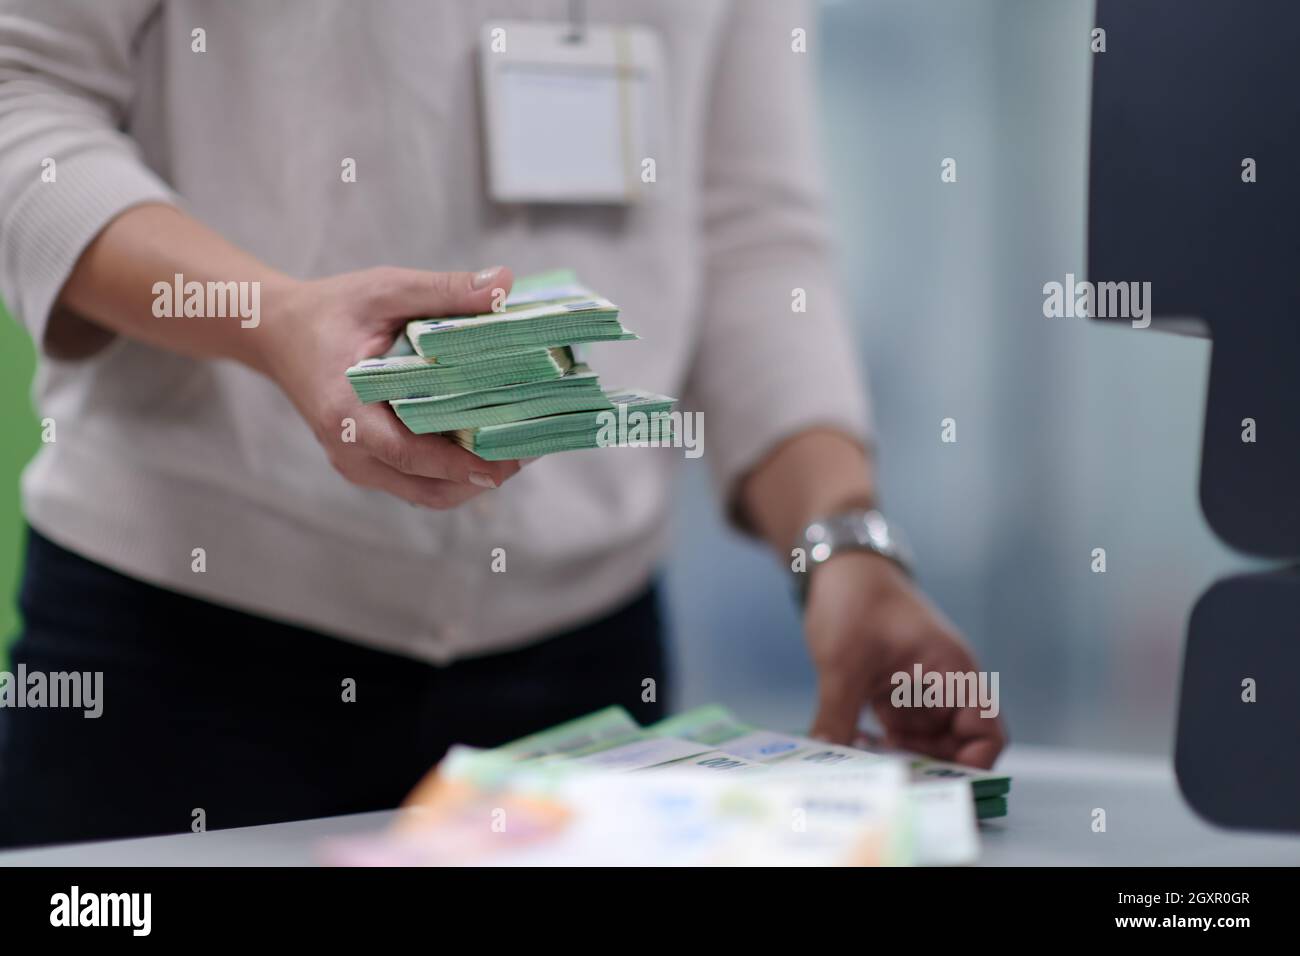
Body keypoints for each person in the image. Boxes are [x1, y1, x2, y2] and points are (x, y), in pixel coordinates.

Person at [0, 0, 1003, 848]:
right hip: (183, 639)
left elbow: (749, 225)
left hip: (586, 667)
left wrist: (841, 545)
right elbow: (21, 96)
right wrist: (273, 321)